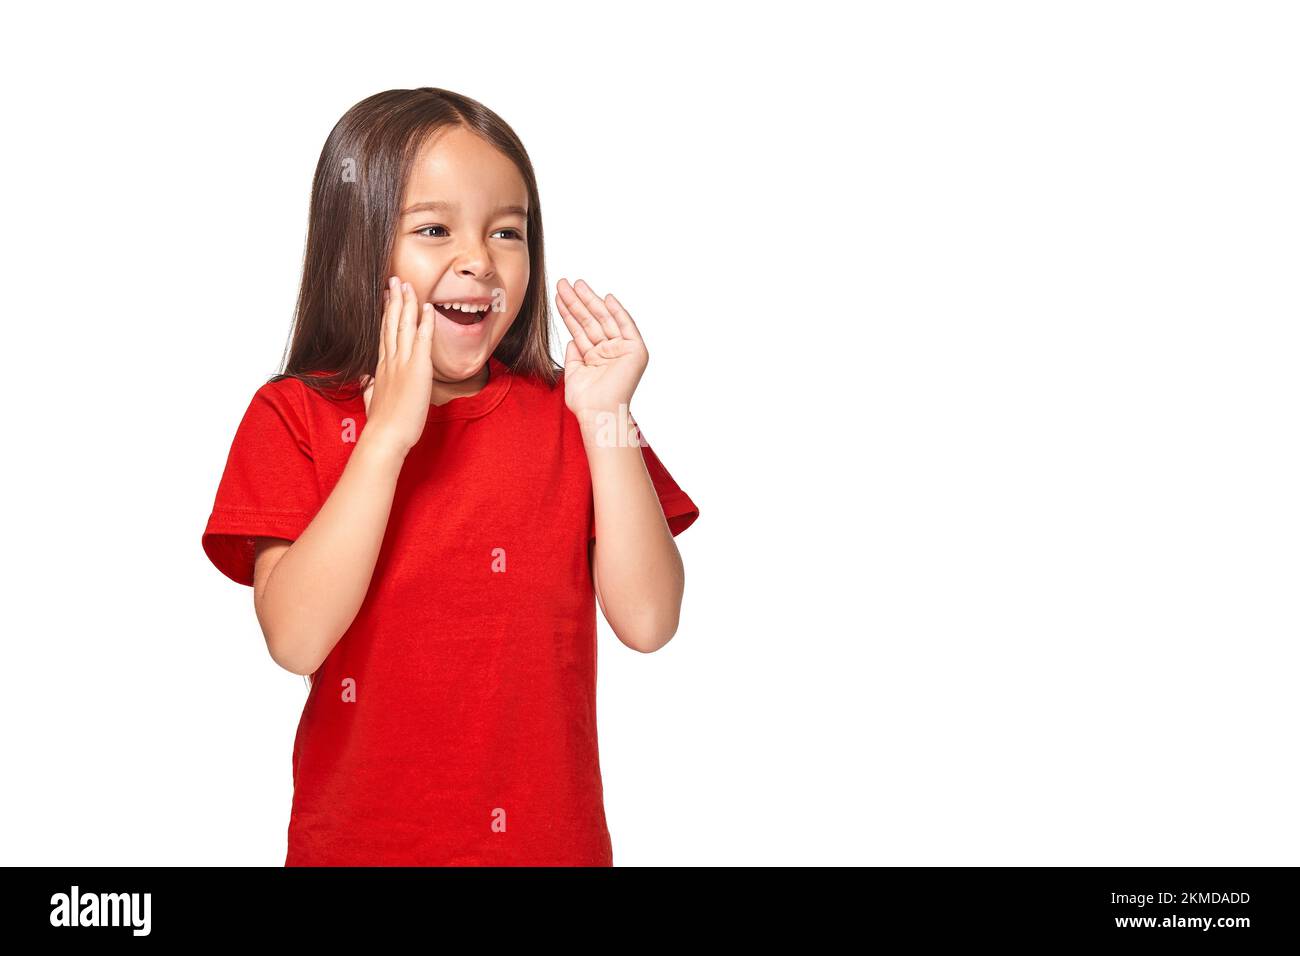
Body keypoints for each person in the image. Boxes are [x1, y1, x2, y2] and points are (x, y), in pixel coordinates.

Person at [200, 88, 699, 866]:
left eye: (508, 231)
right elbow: (295, 639)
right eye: (434, 230)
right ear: (356, 248)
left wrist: (607, 415)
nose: (479, 259)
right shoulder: (292, 415)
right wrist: (387, 439)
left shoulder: (575, 418)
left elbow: (649, 620)